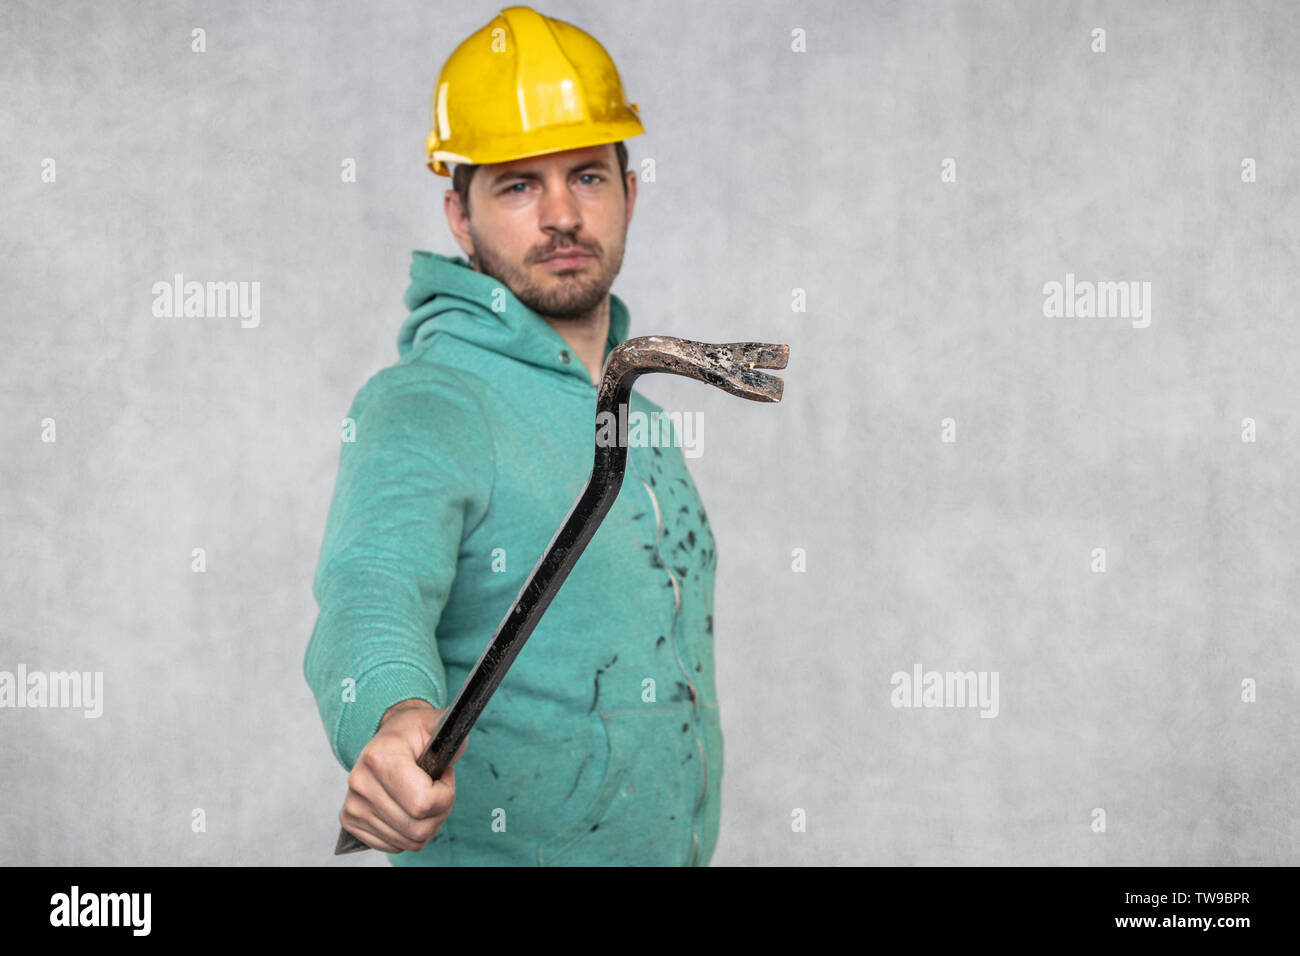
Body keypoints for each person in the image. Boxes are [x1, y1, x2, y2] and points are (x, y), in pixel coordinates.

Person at [304, 5, 723, 866]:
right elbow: (369, 588)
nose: (562, 215)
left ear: (631, 191)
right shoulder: (428, 402)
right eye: (519, 184)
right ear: (459, 215)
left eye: (588, 176)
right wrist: (391, 719)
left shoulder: (635, 412)